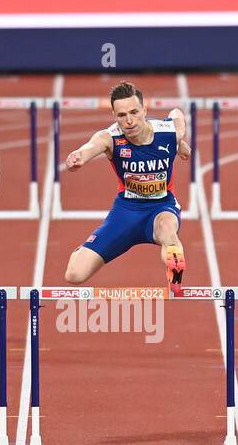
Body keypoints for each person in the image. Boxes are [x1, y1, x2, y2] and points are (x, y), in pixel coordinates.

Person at [63, 81, 191, 296]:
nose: (129, 121)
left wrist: (180, 142)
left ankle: (175, 277)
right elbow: (90, 147)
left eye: (134, 112)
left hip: (161, 208)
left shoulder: (169, 132)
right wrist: (78, 156)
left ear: (144, 111)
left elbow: (177, 113)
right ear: (114, 116)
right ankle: (80, 253)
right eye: (122, 115)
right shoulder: (110, 138)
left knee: (168, 231)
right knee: (74, 276)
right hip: (125, 213)